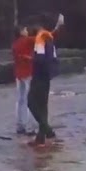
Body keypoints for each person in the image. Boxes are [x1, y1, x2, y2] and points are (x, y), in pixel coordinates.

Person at [28, 14, 65, 147]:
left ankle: (48, 131)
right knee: (43, 106)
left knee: (31, 103)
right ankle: (41, 137)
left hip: (39, 75)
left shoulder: (40, 39)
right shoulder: (48, 37)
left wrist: (32, 59)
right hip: (47, 76)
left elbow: (40, 58)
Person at [11, 27, 37, 135]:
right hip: (28, 73)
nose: (27, 31)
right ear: (21, 32)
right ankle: (30, 127)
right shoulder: (28, 40)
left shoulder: (15, 44)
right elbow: (41, 39)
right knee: (29, 100)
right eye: (25, 29)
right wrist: (57, 27)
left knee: (20, 100)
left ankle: (20, 126)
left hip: (19, 75)